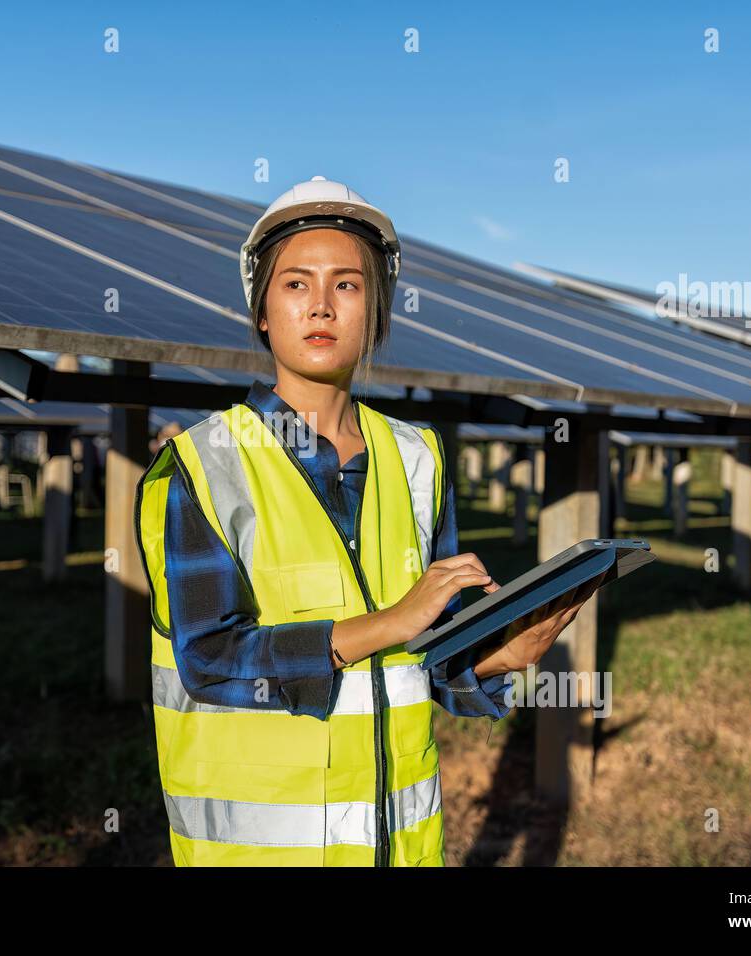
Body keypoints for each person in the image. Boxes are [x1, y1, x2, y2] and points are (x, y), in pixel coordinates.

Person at [134, 177, 603, 866]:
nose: (321, 305)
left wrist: (497, 658)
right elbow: (209, 661)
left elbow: (427, 658)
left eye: (348, 286)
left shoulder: (418, 459)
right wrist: (387, 623)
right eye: (296, 284)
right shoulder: (202, 466)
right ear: (262, 311)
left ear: (376, 312)